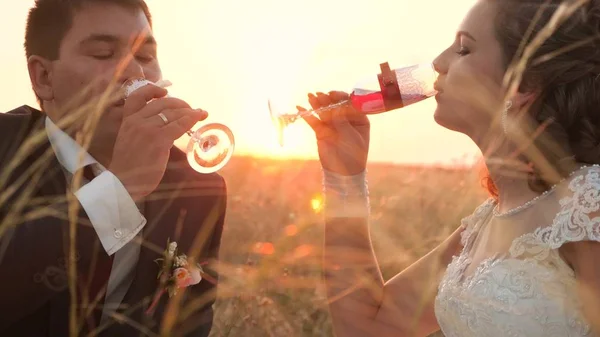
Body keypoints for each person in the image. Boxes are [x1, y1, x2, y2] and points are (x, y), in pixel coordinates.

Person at [304, 0, 600, 336]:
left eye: (463, 49)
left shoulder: (587, 208)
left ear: (523, 84)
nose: (438, 62)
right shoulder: (482, 227)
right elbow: (367, 326)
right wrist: (345, 178)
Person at [0, 0, 227, 336]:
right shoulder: (7, 150)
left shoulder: (197, 189)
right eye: (104, 54)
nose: (135, 73)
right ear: (44, 77)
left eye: (146, 57)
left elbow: (188, 323)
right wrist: (118, 191)